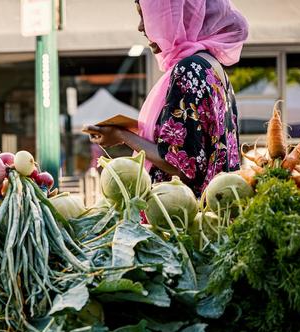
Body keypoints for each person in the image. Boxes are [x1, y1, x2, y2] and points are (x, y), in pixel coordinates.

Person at [84, 0, 248, 196]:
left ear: (179, 18)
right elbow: (194, 142)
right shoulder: (211, 66)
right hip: (208, 212)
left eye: (146, 15)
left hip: (180, 217)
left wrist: (122, 136)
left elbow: (181, 166)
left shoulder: (189, 69)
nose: (141, 27)